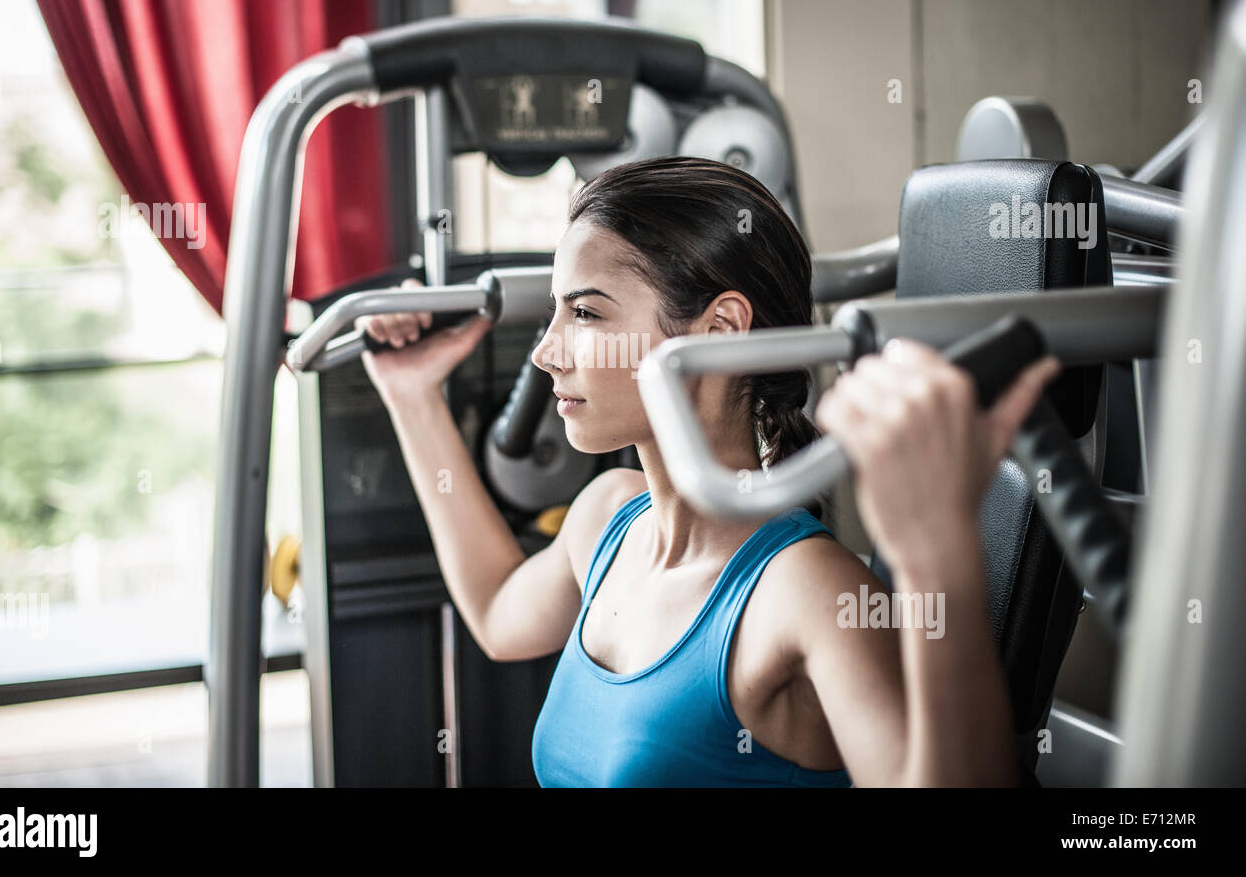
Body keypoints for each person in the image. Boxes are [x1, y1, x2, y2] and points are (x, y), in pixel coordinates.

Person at [355, 156, 1061, 787]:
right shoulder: (608, 517)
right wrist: (411, 395)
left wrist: (939, 551)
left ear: (720, 330)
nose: (545, 353)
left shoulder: (805, 590)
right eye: (554, 314)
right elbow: (497, 614)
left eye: (586, 314)